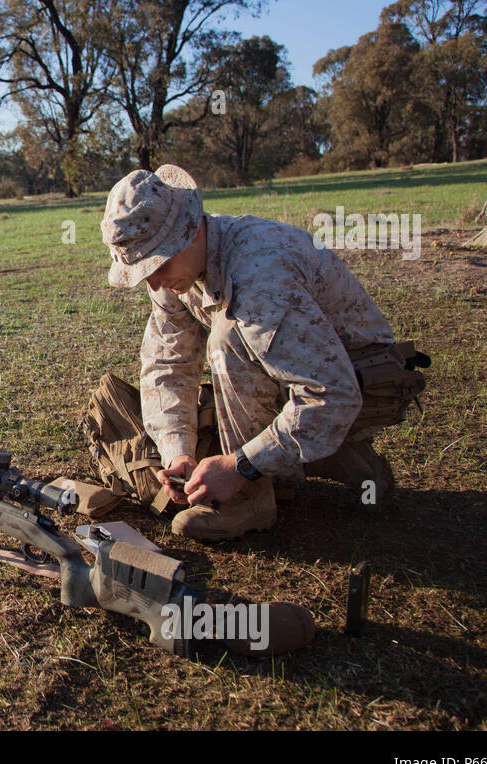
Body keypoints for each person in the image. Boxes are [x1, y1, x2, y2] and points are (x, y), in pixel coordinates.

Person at [98, 165, 422, 541]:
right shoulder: (177, 272)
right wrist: (177, 452)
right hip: (302, 382)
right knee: (206, 415)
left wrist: (240, 467)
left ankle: (249, 500)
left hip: (365, 386)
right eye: (142, 270)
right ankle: (335, 454)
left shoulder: (260, 273)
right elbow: (168, 364)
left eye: (158, 264)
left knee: (226, 340)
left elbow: (332, 393)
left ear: (191, 231)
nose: (153, 280)